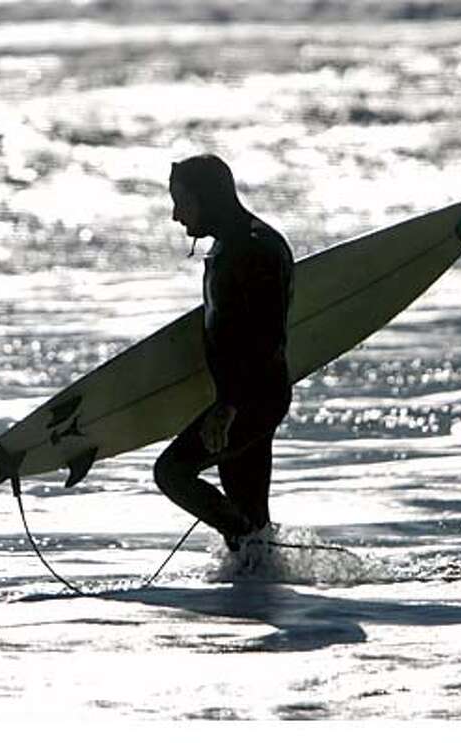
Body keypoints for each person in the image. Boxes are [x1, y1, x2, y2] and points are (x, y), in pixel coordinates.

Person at [153, 154, 294, 551]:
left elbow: (266, 339)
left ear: (208, 197)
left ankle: (249, 548)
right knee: (251, 516)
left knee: (172, 473)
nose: (177, 215)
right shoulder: (230, 246)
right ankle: (263, 588)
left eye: (182, 201)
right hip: (247, 398)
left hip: (252, 399)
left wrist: (229, 407)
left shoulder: (254, 249)